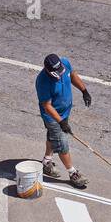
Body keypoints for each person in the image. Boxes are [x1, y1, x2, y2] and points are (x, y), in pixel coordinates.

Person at [35, 53, 92, 190]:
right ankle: (73, 173)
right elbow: (47, 106)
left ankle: (46, 162)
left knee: (52, 136)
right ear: (48, 70)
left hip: (64, 112)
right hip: (52, 116)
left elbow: (72, 75)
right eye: (56, 73)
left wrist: (84, 90)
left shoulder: (64, 63)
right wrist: (61, 122)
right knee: (62, 142)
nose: (59, 75)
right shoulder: (42, 82)